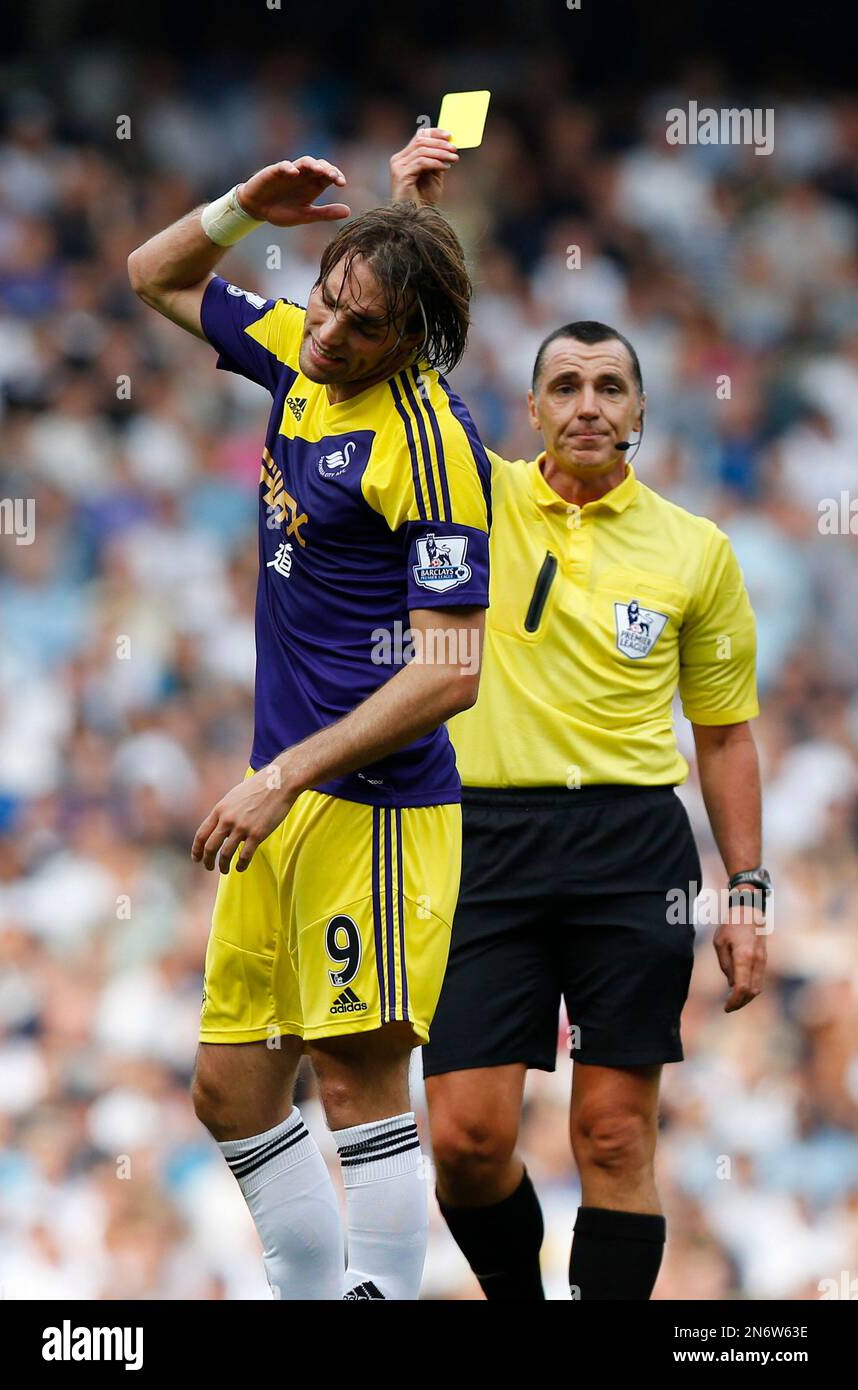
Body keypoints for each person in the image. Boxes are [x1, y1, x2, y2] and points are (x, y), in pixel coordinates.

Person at [391, 130, 770, 1300]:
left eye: (610, 387)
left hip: (628, 847)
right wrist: (414, 214)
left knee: (612, 1135)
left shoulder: (693, 551)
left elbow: (722, 734)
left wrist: (746, 890)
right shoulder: (477, 491)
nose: (588, 404)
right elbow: (405, 365)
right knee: (463, 1139)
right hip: (483, 839)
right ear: (533, 403)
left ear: (642, 412)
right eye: (566, 384)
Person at [128, 153, 491, 1300]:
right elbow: (152, 274)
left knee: (353, 1076)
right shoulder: (299, 347)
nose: (328, 335)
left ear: (412, 341)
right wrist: (243, 210)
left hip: (370, 804)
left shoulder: (429, 445)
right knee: (228, 1092)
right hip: (277, 791)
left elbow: (450, 672)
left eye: (361, 325)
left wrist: (286, 773)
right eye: (325, 301)